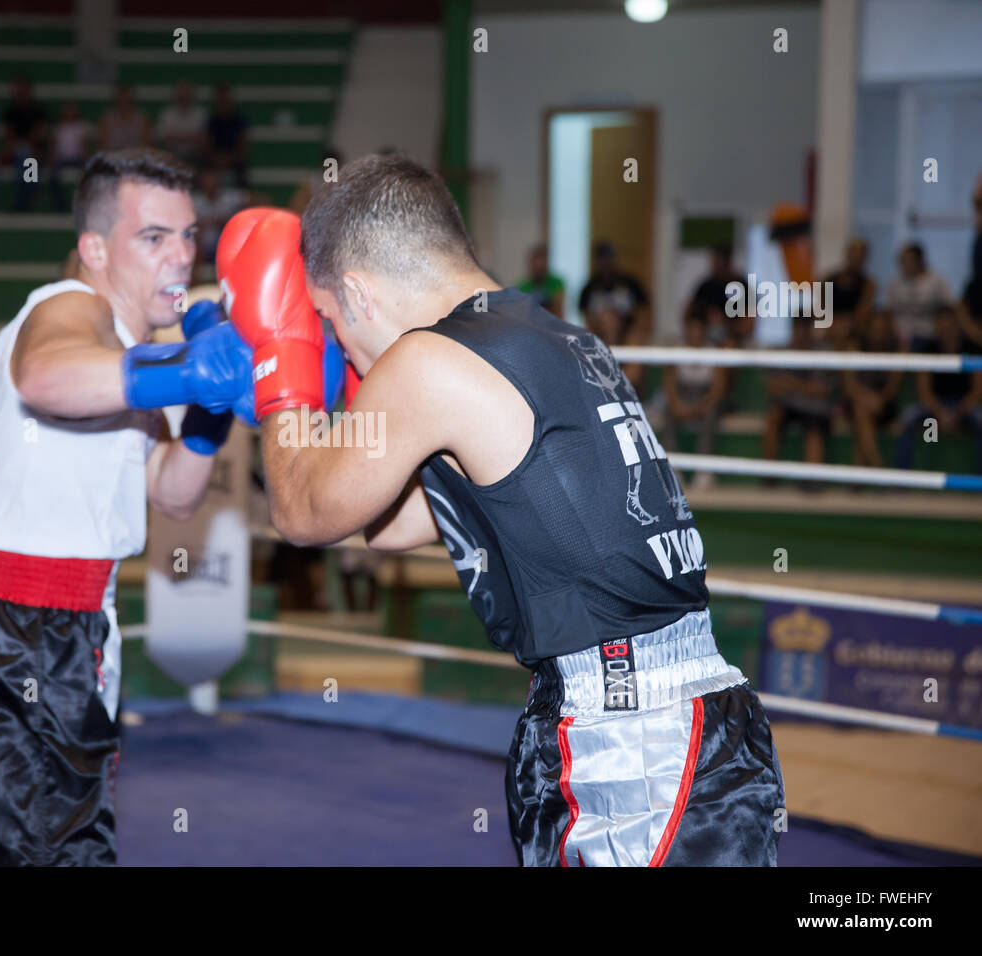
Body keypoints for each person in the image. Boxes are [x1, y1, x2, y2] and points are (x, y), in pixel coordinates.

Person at [219, 154, 784, 866]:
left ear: (357, 293)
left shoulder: (431, 362)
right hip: (645, 712)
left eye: (329, 319)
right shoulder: (553, 339)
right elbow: (389, 523)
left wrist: (284, 375)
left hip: (632, 730)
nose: (335, 341)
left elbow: (301, 513)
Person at [0, 150, 271, 866]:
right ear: (95, 248)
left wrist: (212, 408)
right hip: (13, 632)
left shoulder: (121, 355)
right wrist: (190, 368)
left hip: (77, 630)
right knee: (65, 854)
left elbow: (174, 492)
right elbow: (45, 376)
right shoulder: (67, 308)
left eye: (188, 236)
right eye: (154, 237)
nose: (180, 257)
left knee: (38, 849)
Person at [895, 307, 982, 472]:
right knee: (907, 419)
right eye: (941, 326)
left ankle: (978, 482)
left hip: (964, 406)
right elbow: (923, 391)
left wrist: (957, 412)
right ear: (936, 327)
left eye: (949, 325)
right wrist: (941, 413)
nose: (946, 330)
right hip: (934, 406)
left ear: (957, 325)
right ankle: (901, 480)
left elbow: (978, 391)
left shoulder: (972, 348)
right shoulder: (928, 349)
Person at [761, 316, 839, 481]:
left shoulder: (823, 351)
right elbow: (772, 386)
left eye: (805, 328)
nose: (801, 333)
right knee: (773, 416)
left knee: (814, 428)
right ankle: (770, 476)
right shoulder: (781, 350)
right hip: (788, 405)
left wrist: (791, 384)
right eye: (798, 328)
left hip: (815, 408)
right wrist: (805, 386)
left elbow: (821, 389)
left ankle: (811, 480)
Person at [662, 312, 728, 489]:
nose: (695, 334)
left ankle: (703, 468)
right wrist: (677, 406)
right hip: (683, 397)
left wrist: (699, 407)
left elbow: (718, 390)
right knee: (667, 412)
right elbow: (669, 384)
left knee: (712, 412)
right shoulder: (678, 349)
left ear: (705, 331)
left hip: (706, 399)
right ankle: (674, 467)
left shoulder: (714, 351)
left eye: (699, 330)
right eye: (692, 329)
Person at [841, 308, 902, 470]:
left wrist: (877, 400)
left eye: (882, 329)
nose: (878, 333)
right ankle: (877, 466)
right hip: (856, 401)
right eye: (874, 328)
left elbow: (892, 388)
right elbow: (849, 385)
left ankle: (859, 477)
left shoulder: (895, 349)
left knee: (862, 416)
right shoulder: (855, 346)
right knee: (861, 411)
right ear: (867, 328)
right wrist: (867, 397)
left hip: (884, 404)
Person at [886, 242, 958, 352]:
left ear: (918, 260)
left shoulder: (936, 281)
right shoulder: (895, 284)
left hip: (928, 334)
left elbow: (951, 306)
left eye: (907, 260)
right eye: (901, 261)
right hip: (899, 335)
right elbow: (888, 310)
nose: (903, 264)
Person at [578, 240, 650, 344]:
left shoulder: (631, 284)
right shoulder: (589, 289)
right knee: (607, 320)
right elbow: (587, 320)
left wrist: (637, 331)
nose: (606, 263)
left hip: (628, 332)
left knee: (634, 341)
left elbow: (644, 312)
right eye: (602, 259)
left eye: (608, 258)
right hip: (600, 334)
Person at [684, 244, 751, 346]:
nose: (714, 266)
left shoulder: (741, 287)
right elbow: (689, 313)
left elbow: (750, 323)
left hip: (735, 341)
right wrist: (705, 321)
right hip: (706, 340)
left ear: (727, 262)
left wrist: (725, 324)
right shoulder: (706, 286)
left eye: (718, 262)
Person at [1, 75, 49, 212]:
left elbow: (39, 133)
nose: (21, 92)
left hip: (33, 151)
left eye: (24, 89)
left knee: (28, 156)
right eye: (19, 89)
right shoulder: (11, 112)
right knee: (25, 156)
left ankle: (25, 199)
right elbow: (9, 136)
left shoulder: (38, 110)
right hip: (17, 151)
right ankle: (29, 195)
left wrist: (28, 145)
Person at [823, 237, 876, 347]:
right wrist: (833, 325)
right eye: (853, 253)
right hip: (829, 328)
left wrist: (847, 326)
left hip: (853, 332)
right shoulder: (829, 279)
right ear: (847, 254)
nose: (855, 258)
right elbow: (820, 310)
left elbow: (862, 313)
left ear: (864, 258)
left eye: (860, 256)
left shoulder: (868, 285)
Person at [48, 101, 92, 212]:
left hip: (77, 159)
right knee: (53, 175)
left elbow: (84, 146)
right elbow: (54, 146)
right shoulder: (57, 127)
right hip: (61, 159)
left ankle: (83, 206)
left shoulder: (82, 126)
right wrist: (53, 159)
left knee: (89, 176)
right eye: (66, 109)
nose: (69, 112)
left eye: (71, 109)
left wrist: (85, 160)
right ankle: (60, 206)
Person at [155, 80, 207, 168]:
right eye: (182, 93)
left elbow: (202, 138)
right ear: (176, 95)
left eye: (187, 93)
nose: (184, 96)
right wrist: (191, 137)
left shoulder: (201, 113)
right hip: (171, 154)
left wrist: (176, 136)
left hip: (196, 155)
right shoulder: (167, 113)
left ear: (192, 95)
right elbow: (164, 136)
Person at [206, 83, 249, 188]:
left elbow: (242, 146)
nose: (224, 103)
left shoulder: (239, 121)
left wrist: (229, 159)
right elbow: (207, 144)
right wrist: (217, 159)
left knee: (241, 172)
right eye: (221, 100)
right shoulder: (211, 121)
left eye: (226, 99)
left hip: (234, 161)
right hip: (213, 161)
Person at [98, 84, 151, 153]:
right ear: (116, 99)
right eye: (121, 98)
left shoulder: (142, 118)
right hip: (113, 155)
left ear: (132, 99)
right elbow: (103, 143)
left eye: (126, 97)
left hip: (136, 156)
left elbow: (148, 143)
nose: (124, 101)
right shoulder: (107, 118)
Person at [516, 243, 564, 317]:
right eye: (536, 265)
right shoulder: (522, 287)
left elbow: (559, 311)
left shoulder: (556, 283)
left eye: (542, 265)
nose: (539, 268)